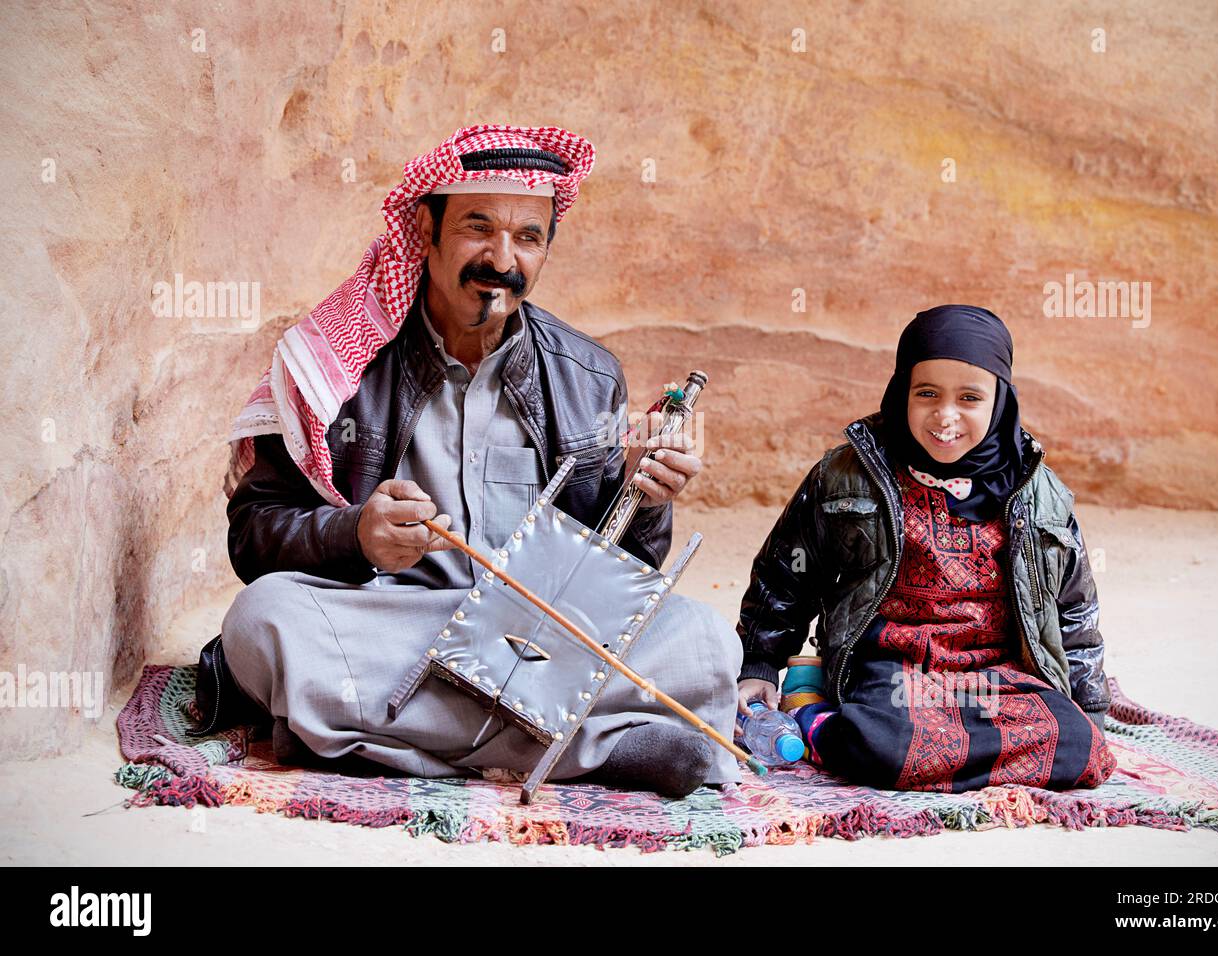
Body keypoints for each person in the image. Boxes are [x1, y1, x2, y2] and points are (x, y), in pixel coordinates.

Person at [212, 124, 742, 799]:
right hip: (399, 624)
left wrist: (646, 498)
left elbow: (624, 577)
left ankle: (383, 740)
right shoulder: (335, 367)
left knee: (705, 641)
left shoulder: (588, 376)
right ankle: (589, 745)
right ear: (425, 232)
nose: (501, 258)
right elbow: (254, 531)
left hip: (540, 641)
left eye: (528, 237)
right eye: (477, 227)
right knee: (262, 620)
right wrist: (356, 535)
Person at [734, 305, 1116, 792]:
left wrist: (1091, 705)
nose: (945, 416)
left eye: (970, 398)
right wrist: (760, 663)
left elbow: (1075, 610)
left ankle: (885, 741)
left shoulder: (1038, 492)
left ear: (1000, 401)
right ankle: (814, 718)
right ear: (901, 392)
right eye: (927, 393)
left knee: (1080, 750)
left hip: (996, 670)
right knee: (885, 748)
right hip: (892, 668)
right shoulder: (850, 474)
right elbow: (786, 572)